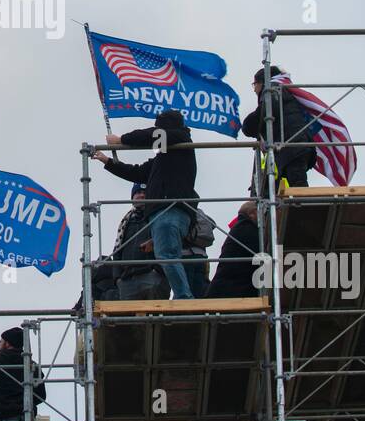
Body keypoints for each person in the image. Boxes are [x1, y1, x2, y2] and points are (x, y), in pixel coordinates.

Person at [94, 110, 199, 299]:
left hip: (169, 209)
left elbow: (153, 135)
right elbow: (138, 173)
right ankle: (183, 297)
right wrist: (107, 161)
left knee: (167, 255)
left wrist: (121, 139)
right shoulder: (166, 156)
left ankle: (184, 298)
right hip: (164, 212)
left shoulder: (181, 138)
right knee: (166, 254)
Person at [242, 67, 317, 189]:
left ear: (261, 82)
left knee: (298, 188)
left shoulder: (272, 90)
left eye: (254, 84)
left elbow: (266, 113)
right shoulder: (283, 90)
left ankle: (303, 207)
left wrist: (247, 125)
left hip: (293, 145)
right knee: (294, 185)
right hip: (296, 145)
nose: (254, 89)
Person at [207, 201, 262, 298]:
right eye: (261, 212)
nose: (264, 217)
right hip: (231, 293)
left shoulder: (240, 228)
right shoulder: (247, 229)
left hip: (226, 290)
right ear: (252, 213)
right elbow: (264, 255)